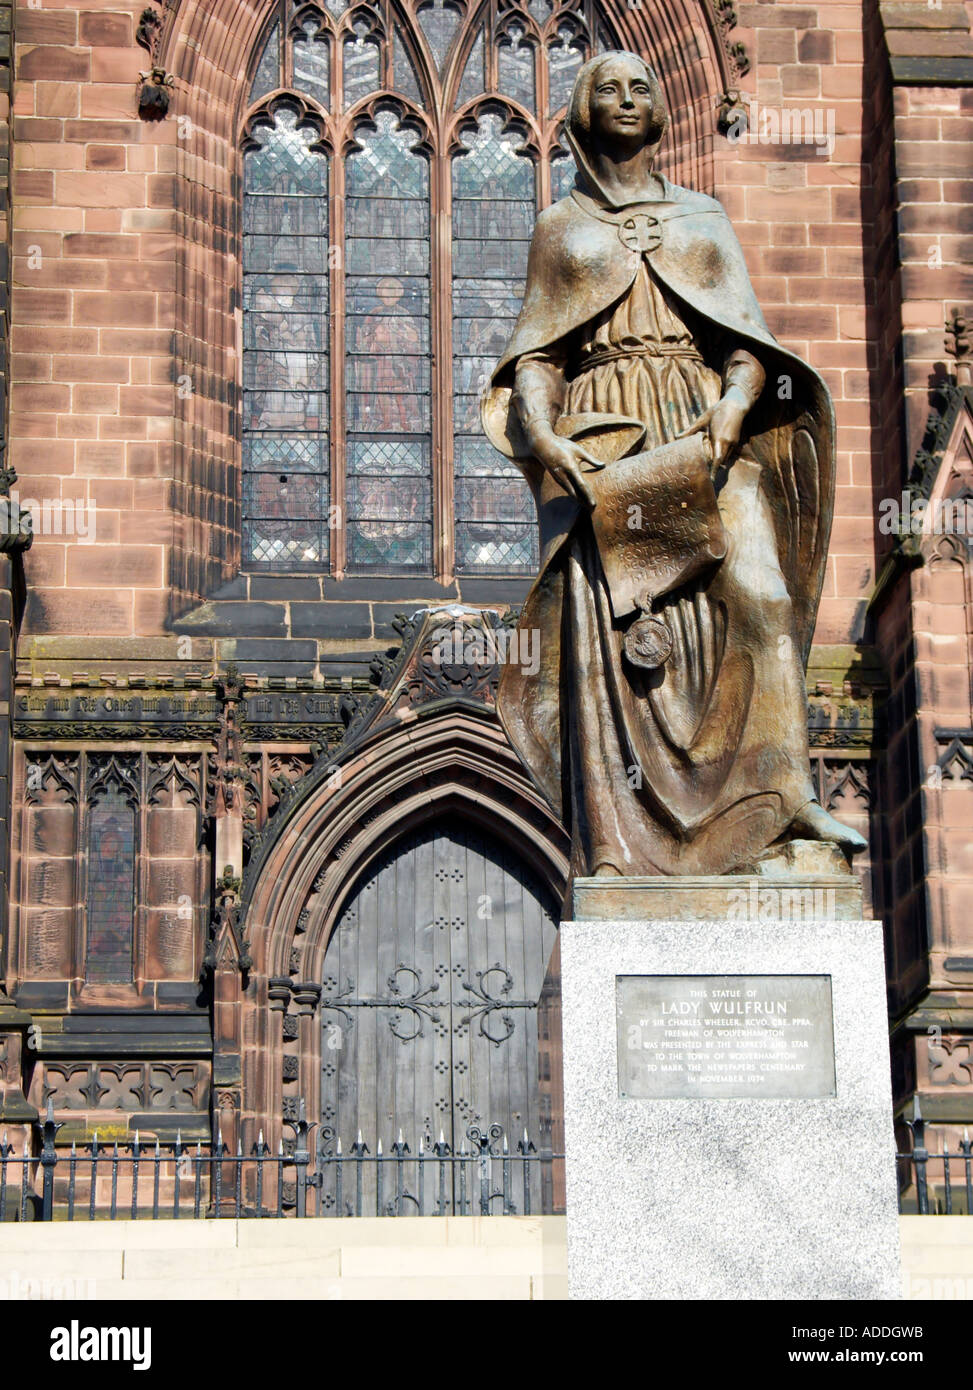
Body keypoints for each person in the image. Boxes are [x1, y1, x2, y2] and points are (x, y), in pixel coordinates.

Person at [481, 51, 867, 879]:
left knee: (761, 599)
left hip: (703, 429)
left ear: (661, 112)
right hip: (611, 439)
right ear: (584, 114)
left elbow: (747, 345)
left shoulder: (703, 216)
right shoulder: (561, 228)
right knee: (612, 643)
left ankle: (784, 805)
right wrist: (545, 438)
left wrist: (732, 406)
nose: (625, 99)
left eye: (639, 88)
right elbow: (538, 355)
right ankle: (623, 846)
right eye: (606, 90)